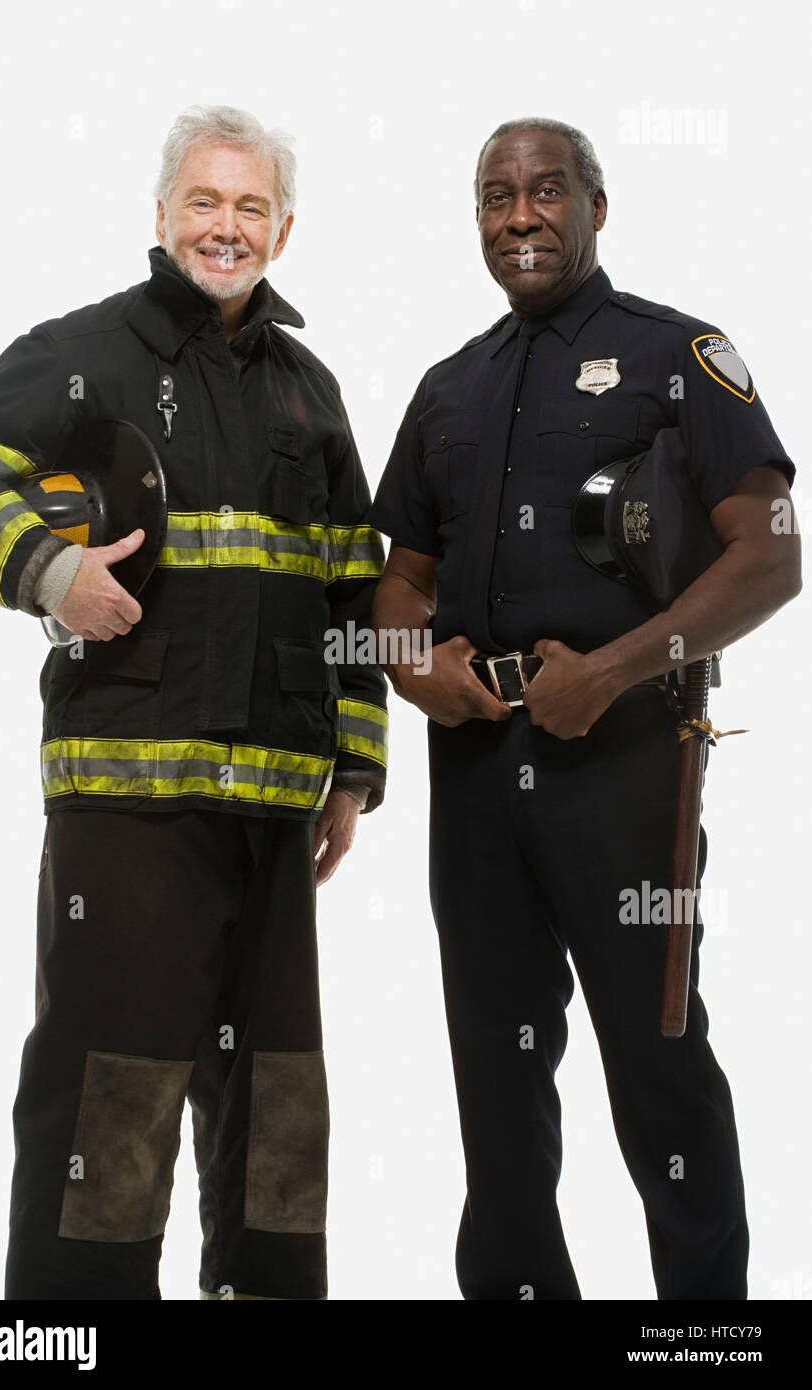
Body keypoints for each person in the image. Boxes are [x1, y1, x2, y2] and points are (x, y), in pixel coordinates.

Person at [0, 104, 388, 1301]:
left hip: (275, 817)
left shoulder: (311, 393)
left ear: (283, 230)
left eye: (251, 207)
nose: (226, 227)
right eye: (205, 201)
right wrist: (51, 572)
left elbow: (352, 578)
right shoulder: (83, 349)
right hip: (127, 813)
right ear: (161, 216)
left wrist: (353, 767)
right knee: (110, 1106)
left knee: (278, 1117)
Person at [369, 116, 800, 1300]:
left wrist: (610, 671)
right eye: (496, 197)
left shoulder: (679, 355)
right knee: (495, 1075)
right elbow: (397, 580)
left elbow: (770, 556)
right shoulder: (449, 386)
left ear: (596, 207)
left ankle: (705, 1329)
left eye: (546, 190)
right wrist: (414, 667)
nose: (520, 216)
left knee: (658, 1062)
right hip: (472, 770)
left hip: (625, 764)